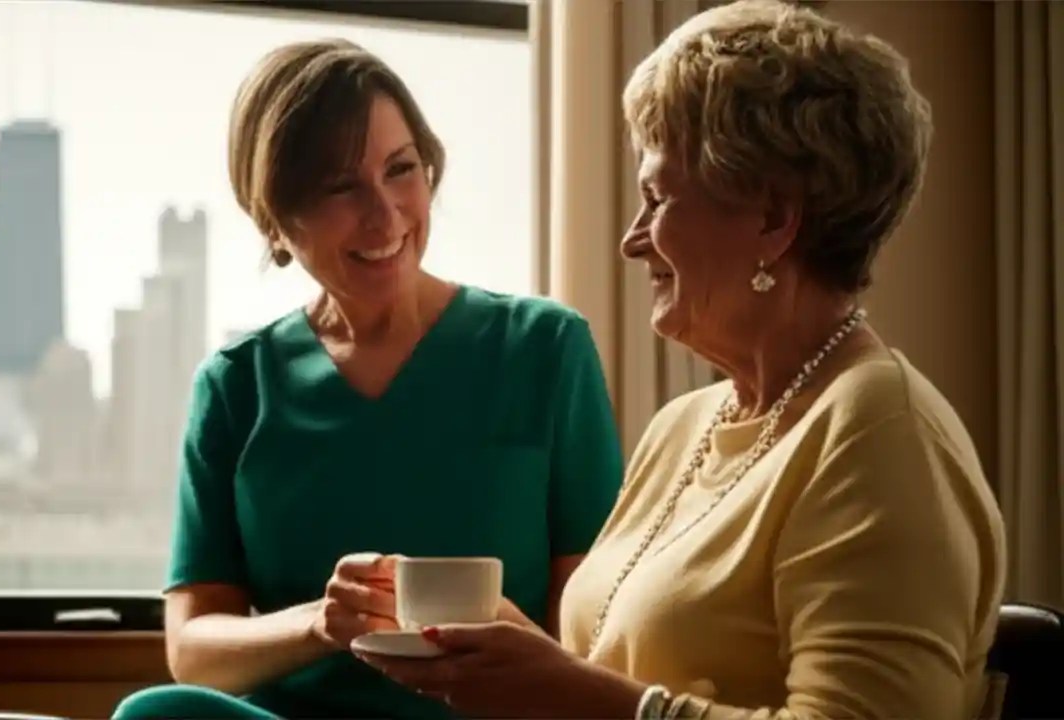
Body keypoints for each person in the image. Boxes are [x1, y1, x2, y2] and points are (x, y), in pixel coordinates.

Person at [357, 2, 1008, 718]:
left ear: (772, 218)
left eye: (657, 198)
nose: (633, 240)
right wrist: (494, 649)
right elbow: (620, 672)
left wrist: (571, 691)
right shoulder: (685, 425)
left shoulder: (881, 431)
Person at [112, 39, 623, 720]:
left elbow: (596, 629)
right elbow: (193, 648)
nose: (385, 214)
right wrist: (321, 623)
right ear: (276, 219)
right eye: (340, 187)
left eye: (401, 169)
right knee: (155, 714)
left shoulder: (545, 348)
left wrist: (505, 651)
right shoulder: (236, 387)